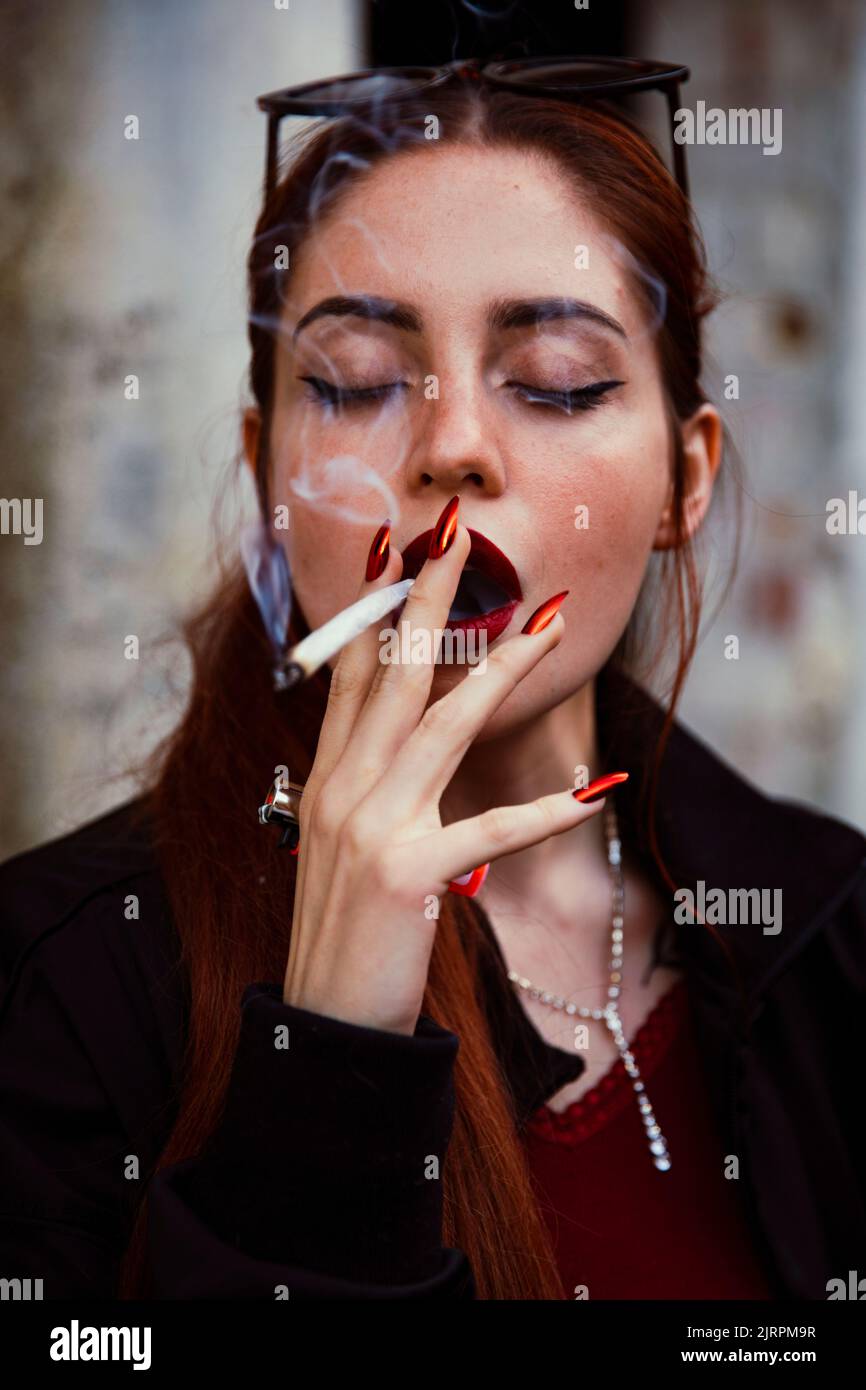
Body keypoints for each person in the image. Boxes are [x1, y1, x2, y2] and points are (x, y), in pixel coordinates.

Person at [1, 76, 865, 1303]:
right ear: (265, 479)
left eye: (558, 378)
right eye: (352, 380)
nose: (451, 446)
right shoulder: (57, 982)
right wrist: (328, 1055)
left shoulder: (830, 933)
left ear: (685, 477)